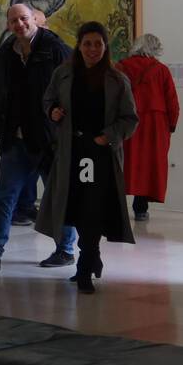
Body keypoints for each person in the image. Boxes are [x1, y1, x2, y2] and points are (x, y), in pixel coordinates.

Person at [0, 4, 76, 271]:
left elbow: (74, 82)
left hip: (48, 138)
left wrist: (61, 113)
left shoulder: (55, 48)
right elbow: (1, 93)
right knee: (4, 196)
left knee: (59, 195)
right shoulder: (6, 52)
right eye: (14, 21)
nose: (20, 24)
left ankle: (66, 249)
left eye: (24, 19)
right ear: (8, 25)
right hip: (16, 138)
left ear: (34, 20)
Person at [39, 22, 139, 293]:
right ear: (79, 46)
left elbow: (130, 119)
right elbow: (47, 101)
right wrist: (53, 113)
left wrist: (109, 135)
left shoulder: (117, 80)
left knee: (92, 210)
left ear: (105, 47)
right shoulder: (63, 74)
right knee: (76, 207)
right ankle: (92, 257)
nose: (92, 49)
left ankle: (84, 267)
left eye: (98, 44)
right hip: (72, 153)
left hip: (100, 155)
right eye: (87, 44)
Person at [116, 33, 180, 220]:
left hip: (127, 121)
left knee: (124, 162)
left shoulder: (121, 68)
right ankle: (141, 208)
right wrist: (172, 125)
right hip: (155, 125)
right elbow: (172, 101)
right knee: (149, 165)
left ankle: (117, 206)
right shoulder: (161, 70)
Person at [14, 8, 49, 224]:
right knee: (18, 179)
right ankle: (23, 208)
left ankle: (65, 244)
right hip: (23, 130)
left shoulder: (53, 50)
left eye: (44, 24)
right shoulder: (12, 54)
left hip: (45, 129)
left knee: (48, 178)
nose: (43, 29)